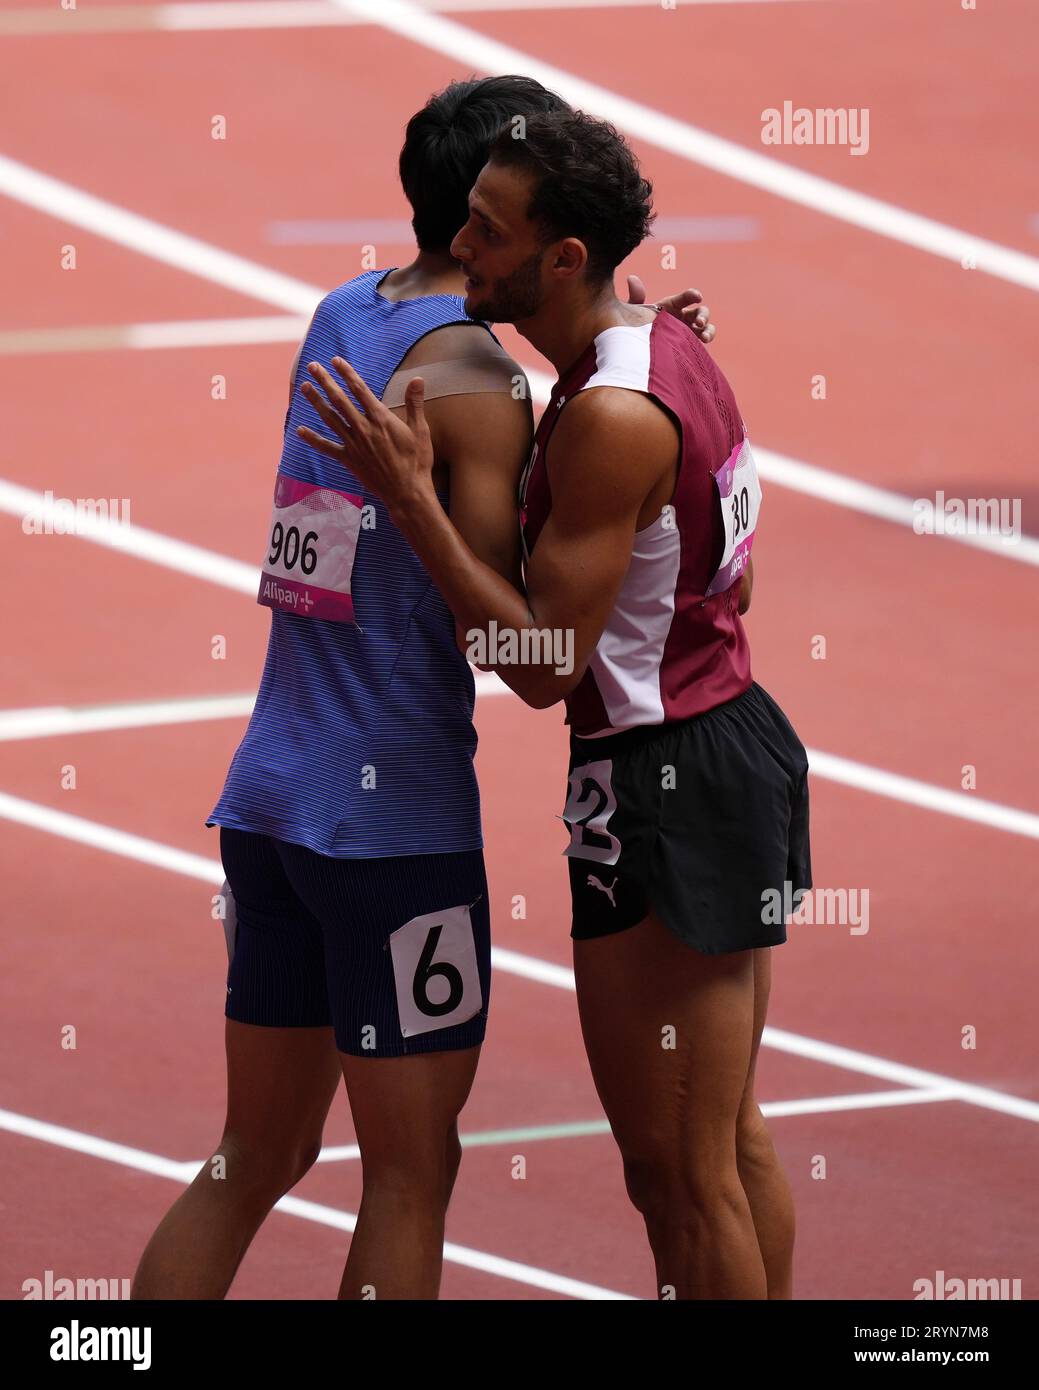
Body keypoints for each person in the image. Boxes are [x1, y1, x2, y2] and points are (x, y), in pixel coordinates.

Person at [131, 78, 716, 1302]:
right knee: (409, 1173)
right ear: (490, 214)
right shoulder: (478, 385)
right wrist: (627, 401)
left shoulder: (343, 309)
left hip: (270, 794)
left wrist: (622, 345)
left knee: (252, 1155)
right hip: (392, 824)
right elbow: (519, 649)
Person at [298, 108, 811, 1301]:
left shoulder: (611, 418)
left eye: (487, 230)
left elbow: (535, 664)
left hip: (661, 780)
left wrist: (414, 502)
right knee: (721, 1146)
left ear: (564, 257)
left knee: (679, 1175)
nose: (459, 246)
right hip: (720, 743)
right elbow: (730, 577)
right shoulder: (661, 349)